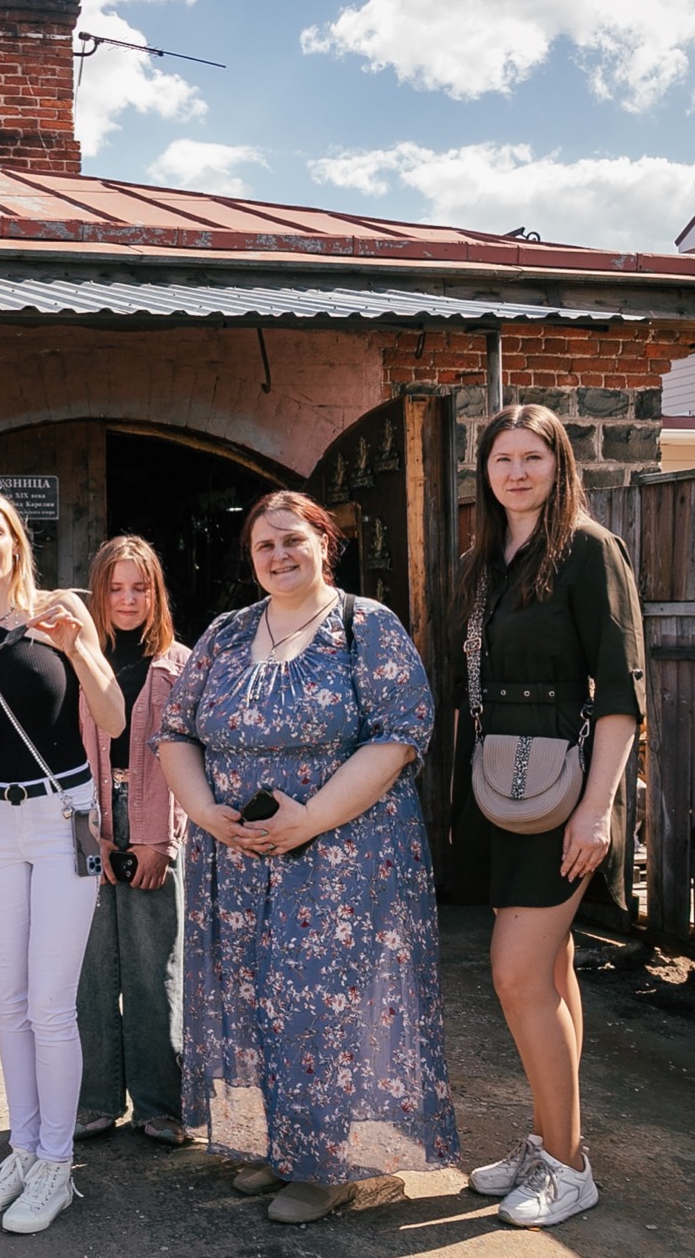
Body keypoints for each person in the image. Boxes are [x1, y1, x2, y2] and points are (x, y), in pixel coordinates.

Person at [154, 490, 458, 1225]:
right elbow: (175, 731)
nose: (279, 555)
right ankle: (280, 1144)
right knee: (258, 999)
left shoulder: (365, 628)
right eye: (264, 545)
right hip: (239, 857)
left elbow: (398, 735)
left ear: (325, 542)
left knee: (324, 1008)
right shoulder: (227, 634)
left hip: (344, 858)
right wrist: (203, 813)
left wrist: (311, 819)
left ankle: (329, 1166)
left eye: (294, 539)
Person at [453, 404, 644, 1228]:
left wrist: (596, 812)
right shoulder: (488, 559)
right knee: (552, 972)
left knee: (517, 972)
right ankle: (550, 1137)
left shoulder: (589, 550)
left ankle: (568, 1168)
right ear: (486, 471)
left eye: (533, 456)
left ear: (560, 464)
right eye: (503, 457)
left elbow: (622, 695)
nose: (517, 471)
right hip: (501, 786)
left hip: (563, 792)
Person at [0, 487, 127, 1236]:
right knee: (8, 1001)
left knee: (51, 1003)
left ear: (16, 540)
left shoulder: (63, 611)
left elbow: (111, 719)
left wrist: (77, 644)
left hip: (63, 822)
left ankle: (56, 1165)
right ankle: (22, 1149)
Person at [72, 536, 192, 1147]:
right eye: (115, 588)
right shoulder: (76, 659)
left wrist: (159, 842)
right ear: (97, 592)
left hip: (154, 824)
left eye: (139, 587)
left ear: (156, 593)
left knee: (153, 970)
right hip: (85, 823)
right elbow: (62, 759)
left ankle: (160, 1104)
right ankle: (94, 1100)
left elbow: (185, 763)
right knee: (91, 971)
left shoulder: (179, 665)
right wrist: (84, 841)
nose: (127, 599)